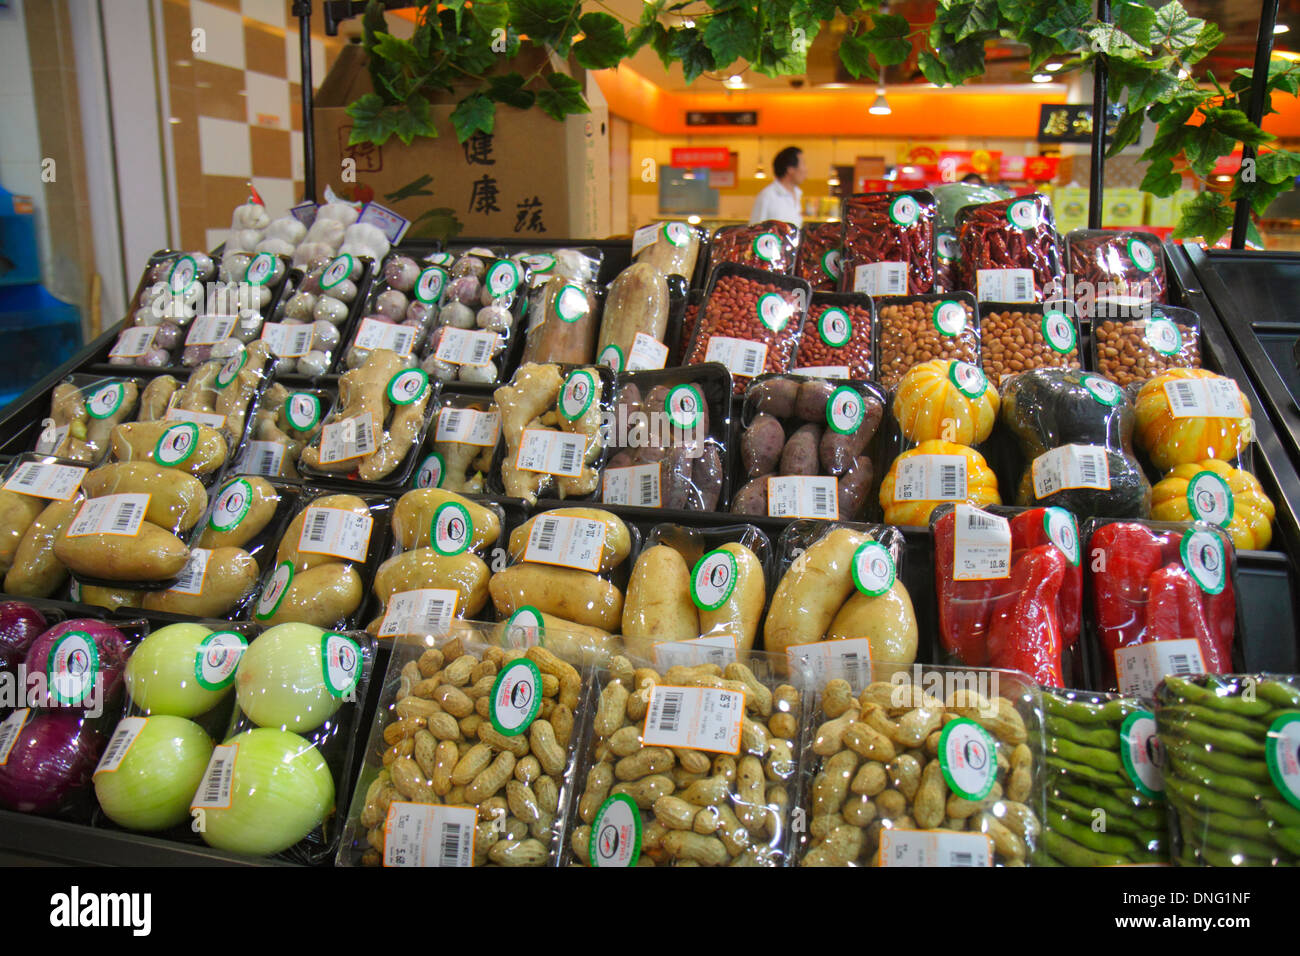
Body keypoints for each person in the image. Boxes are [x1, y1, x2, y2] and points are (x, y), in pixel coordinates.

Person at [749, 146, 806, 226]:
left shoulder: (798, 193)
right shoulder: (767, 196)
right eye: (803, 164)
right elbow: (754, 230)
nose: (806, 170)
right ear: (790, 169)